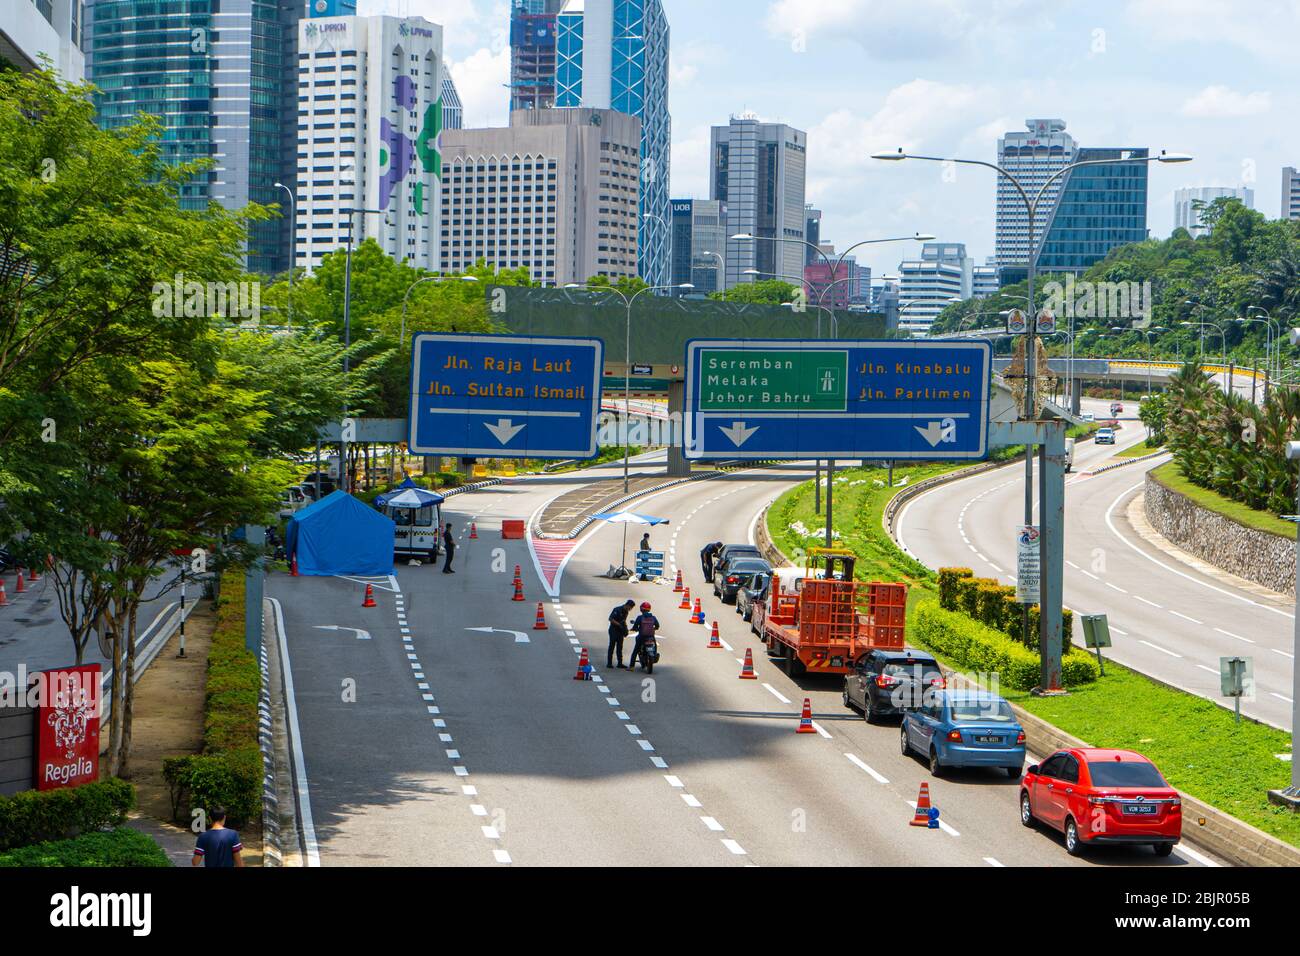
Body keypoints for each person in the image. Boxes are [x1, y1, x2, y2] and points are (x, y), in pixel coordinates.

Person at [628, 601, 660, 672]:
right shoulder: (653, 617)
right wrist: (654, 628)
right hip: (651, 636)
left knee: (635, 650)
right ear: (649, 609)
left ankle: (631, 666)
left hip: (642, 637)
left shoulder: (639, 617)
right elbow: (657, 625)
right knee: (655, 646)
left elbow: (635, 626)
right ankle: (654, 654)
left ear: (641, 609)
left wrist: (634, 629)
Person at [607, 599, 635, 668]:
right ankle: (609, 663)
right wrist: (619, 625)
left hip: (620, 631)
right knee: (612, 646)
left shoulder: (626, 612)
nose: (630, 609)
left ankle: (620, 663)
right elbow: (610, 619)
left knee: (620, 648)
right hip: (613, 630)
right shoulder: (617, 609)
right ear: (627, 605)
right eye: (630, 608)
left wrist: (625, 629)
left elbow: (623, 621)